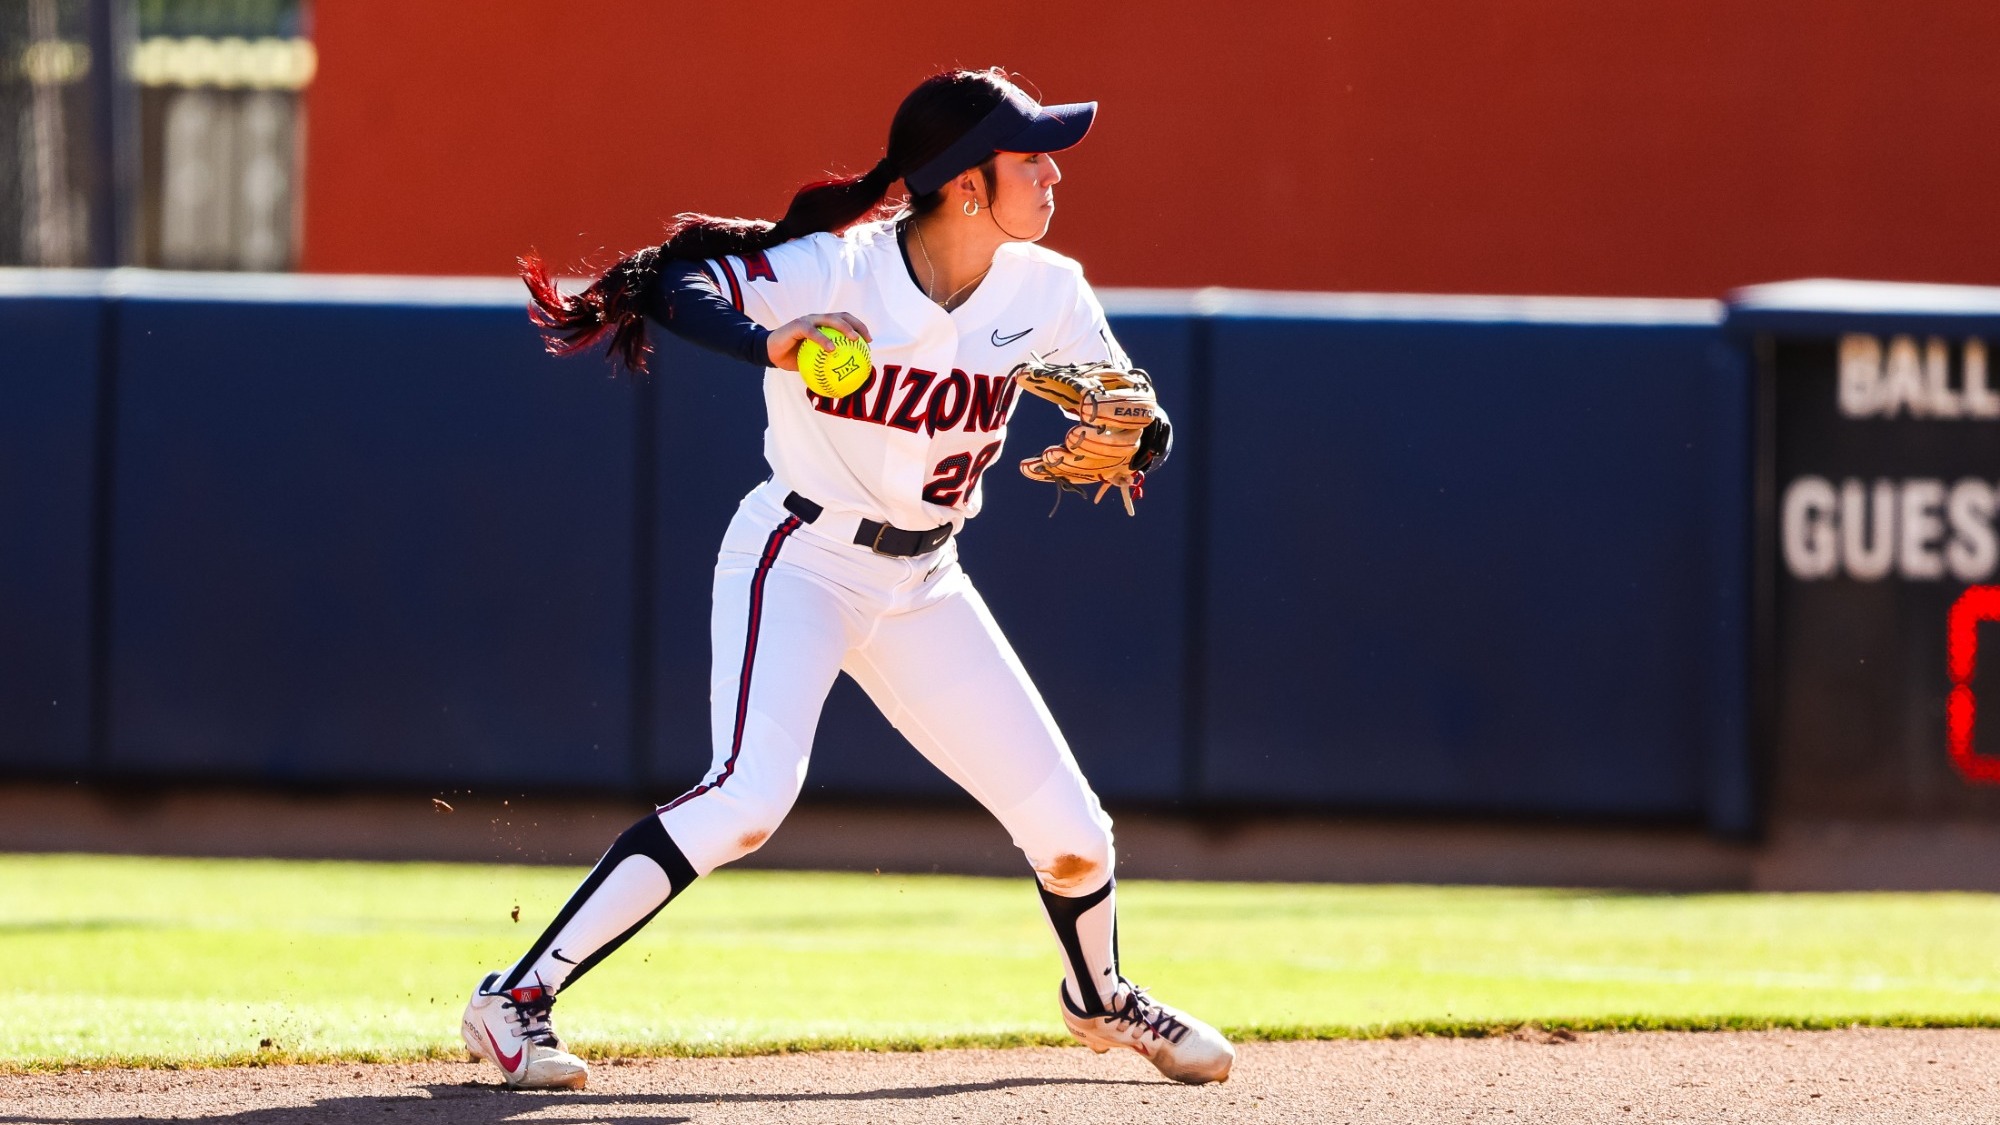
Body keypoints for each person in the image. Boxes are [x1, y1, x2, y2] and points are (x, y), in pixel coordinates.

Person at [458, 67, 1232, 1090]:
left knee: (1076, 838)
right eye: (1030, 157)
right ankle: (512, 1002)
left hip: (927, 584)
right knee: (748, 798)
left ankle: (1095, 999)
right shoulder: (838, 267)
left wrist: (1135, 444)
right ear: (964, 186)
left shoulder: (1047, 288)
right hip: (802, 559)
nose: (1052, 173)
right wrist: (768, 342)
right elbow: (671, 284)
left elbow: (1130, 415)